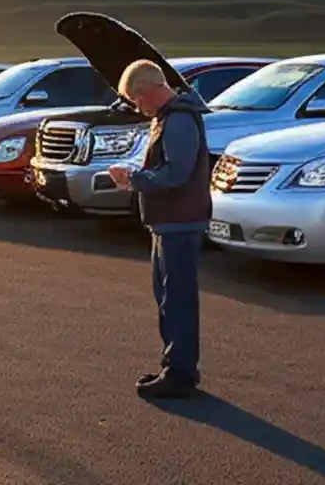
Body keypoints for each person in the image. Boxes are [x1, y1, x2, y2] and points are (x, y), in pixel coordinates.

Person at [108, 59, 211, 399]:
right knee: (168, 296)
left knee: (177, 298)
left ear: (152, 89)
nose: (138, 107)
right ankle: (174, 364)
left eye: (137, 99)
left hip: (180, 221)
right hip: (169, 221)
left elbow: (176, 174)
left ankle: (180, 371)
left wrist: (135, 180)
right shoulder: (169, 118)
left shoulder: (178, 120)